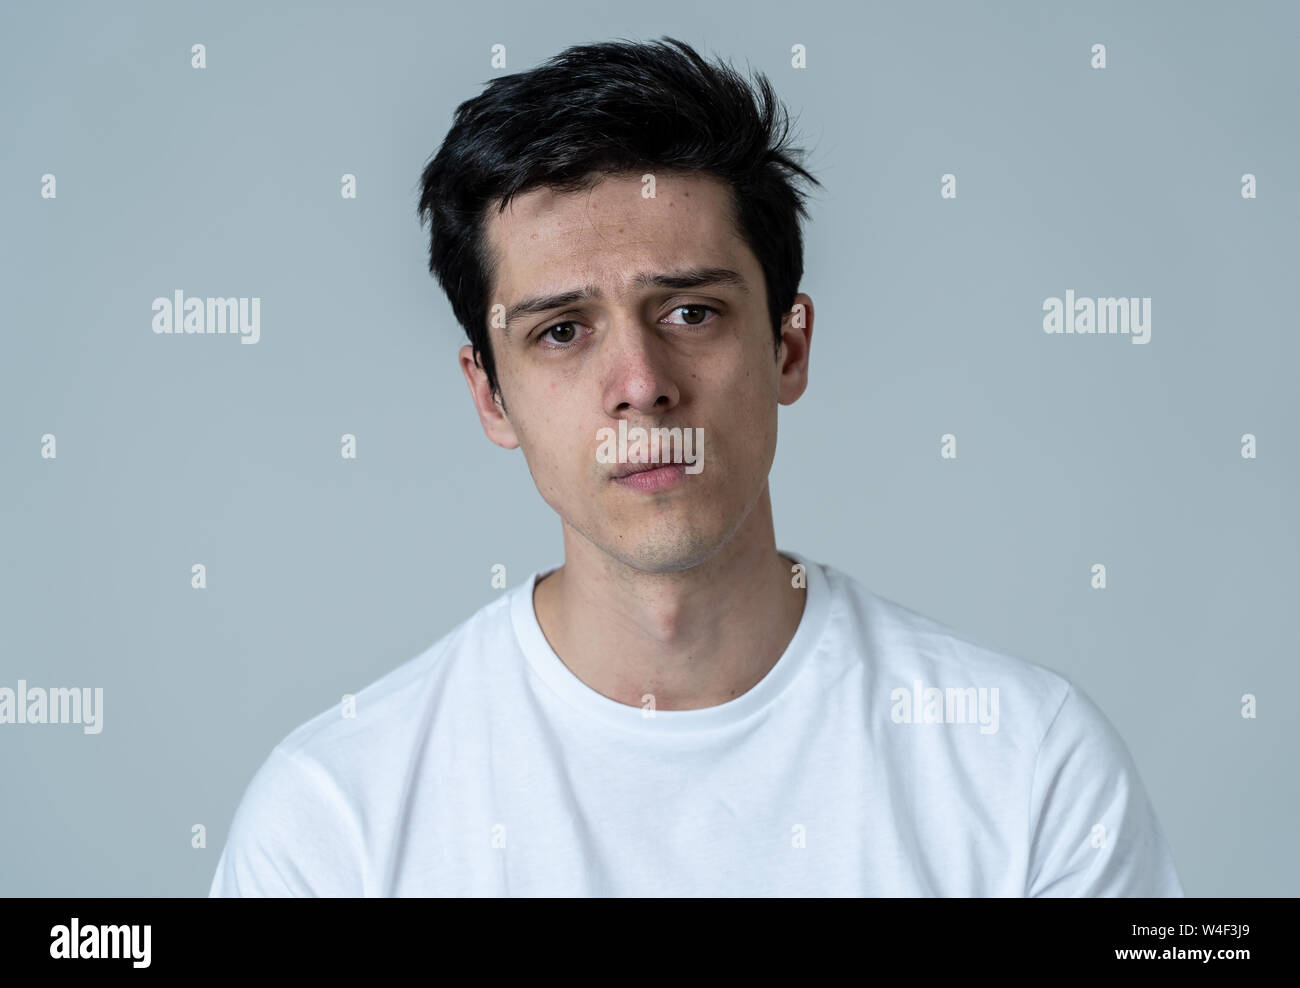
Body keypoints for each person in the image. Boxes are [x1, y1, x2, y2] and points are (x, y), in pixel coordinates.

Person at [209, 36, 1182, 897]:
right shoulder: (335, 821)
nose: (639, 383)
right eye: (560, 331)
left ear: (787, 347)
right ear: (490, 395)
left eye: (690, 312)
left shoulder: (1025, 768)